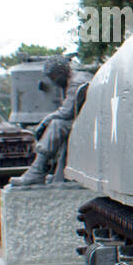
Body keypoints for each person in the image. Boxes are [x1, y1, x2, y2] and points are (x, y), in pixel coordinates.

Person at [11, 56, 92, 186]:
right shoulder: (75, 78)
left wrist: (45, 120)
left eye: (53, 77)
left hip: (90, 125)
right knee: (57, 124)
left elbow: (67, 112)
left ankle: (36, 171)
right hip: (86, 123)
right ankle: (57, 173)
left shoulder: (77, 82)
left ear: (61, 72)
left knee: (57, 125)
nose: (53, 82)